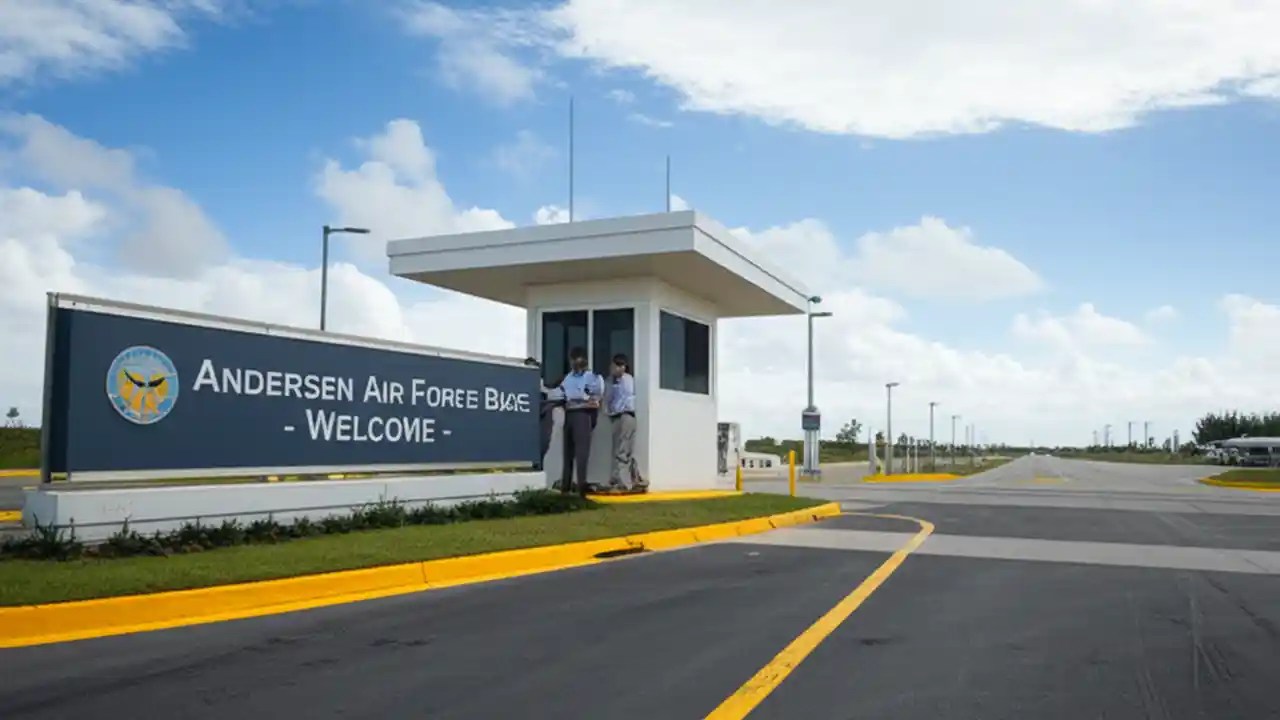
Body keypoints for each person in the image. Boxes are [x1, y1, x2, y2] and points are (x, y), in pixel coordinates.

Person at [558, 347, 600, 496]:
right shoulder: (568, 378)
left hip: (583, 415)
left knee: (581, 453)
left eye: (577, 360)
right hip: (569, 416)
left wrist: (578, 403)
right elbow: (563, 397)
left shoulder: (591, 377)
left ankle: (582, 487)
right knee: (567, 453)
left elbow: (594, 402)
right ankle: (566, 488)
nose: (574, 363)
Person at [605, 353, 646, 493]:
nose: (612, 368)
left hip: (625, 416)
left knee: (622, 450)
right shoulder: (613, 381)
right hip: (620, 417)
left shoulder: (625, 380)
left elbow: (619, 398)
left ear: (622, 367)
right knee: (621, 449)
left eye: (615, 366)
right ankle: (622, 480)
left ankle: (622, 482)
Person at [523, 357, 562, 472]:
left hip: (543, 419)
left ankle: (538, 467)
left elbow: (554, 396)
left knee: (543, 444)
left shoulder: (544, 390)